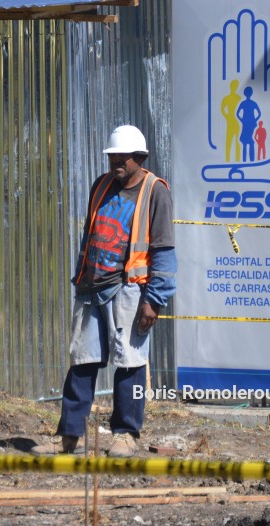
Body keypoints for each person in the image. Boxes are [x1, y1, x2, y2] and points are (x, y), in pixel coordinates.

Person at [30, 125, 177, 458]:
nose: (115, 163)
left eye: (121, 158)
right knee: (82, 362)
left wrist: (154, 300)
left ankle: (125, 433)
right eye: (112, 157)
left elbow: (165, 251)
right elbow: (89, 235)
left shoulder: (155, 192)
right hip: (91, 286)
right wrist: (82, 277)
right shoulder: (101, 186)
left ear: (139, 158)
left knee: (130, 363)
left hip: (129, 290)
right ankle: (69, 435)